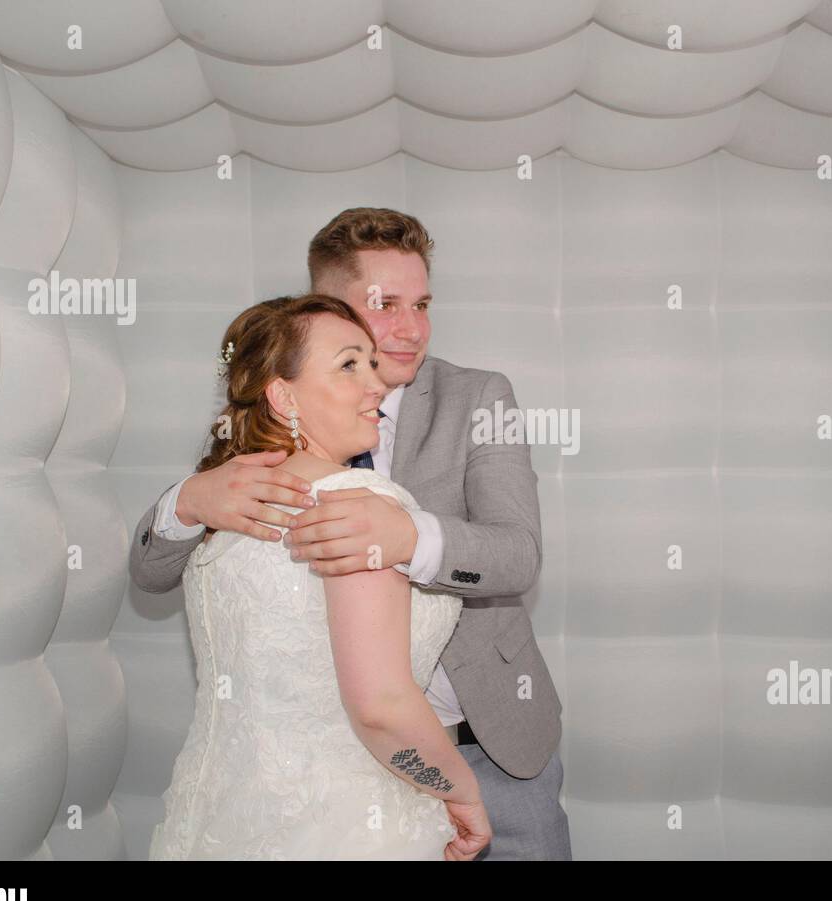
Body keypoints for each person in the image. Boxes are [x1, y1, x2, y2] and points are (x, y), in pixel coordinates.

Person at [133, 208, 570, 860]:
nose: (412, 328)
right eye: (385, 304)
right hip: (328, 780)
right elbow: (151, 570)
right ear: (326, 308)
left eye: (422, 303)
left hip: (484, 744)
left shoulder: (479, 396)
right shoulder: (254, 456)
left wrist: (408, 536)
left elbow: (517, 554)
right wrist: (186, 500)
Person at [149, 293, 488, 860]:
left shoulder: (222, 508)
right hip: (349, 830)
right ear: (284, 396)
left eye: (372, 365)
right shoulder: (357, 501)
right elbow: (379, 706)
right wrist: (462, 792)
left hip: (212, 823)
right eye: (349, 364)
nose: (377, 386)